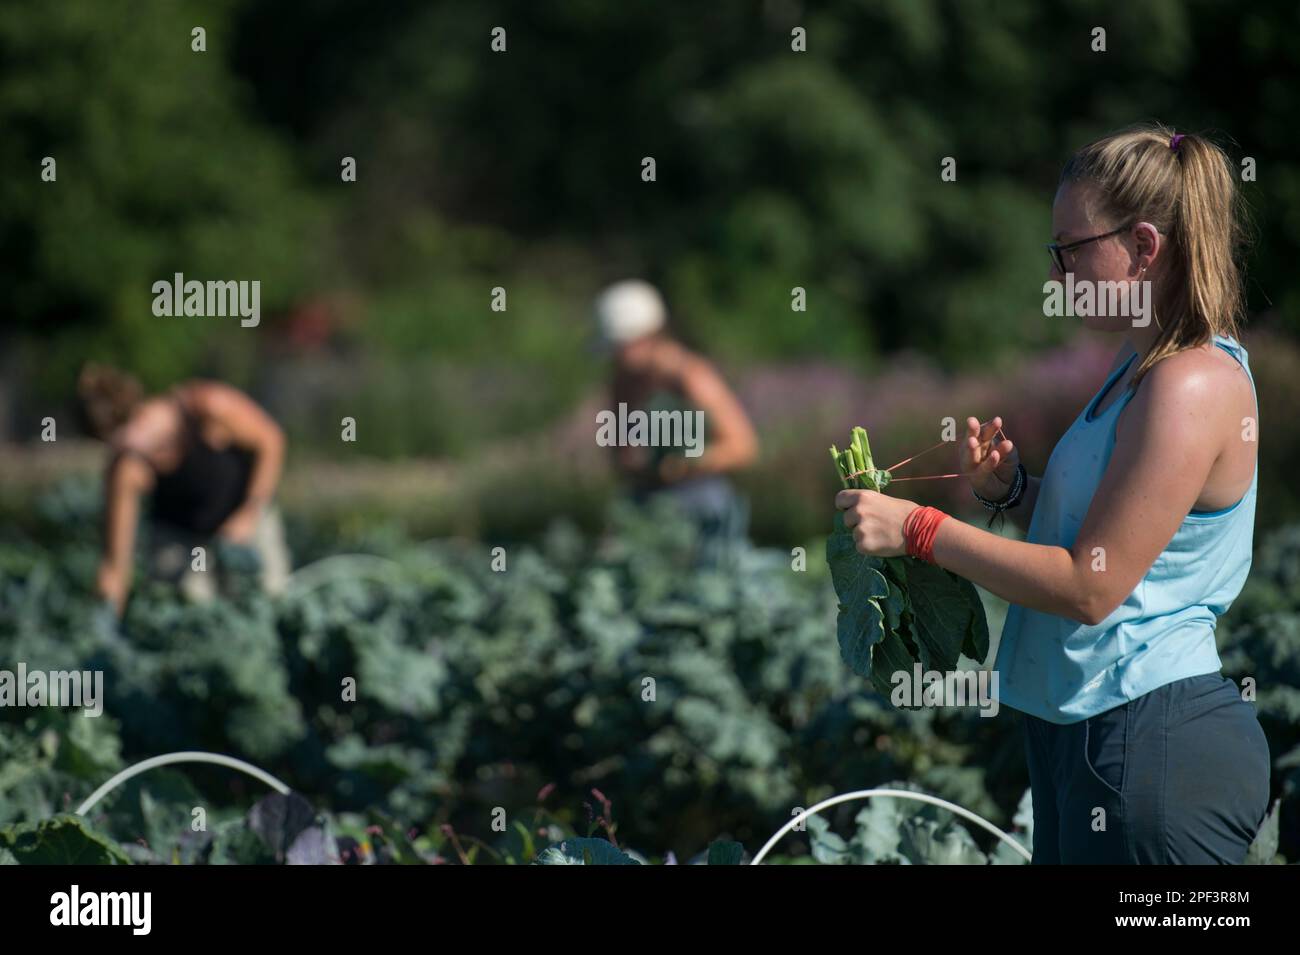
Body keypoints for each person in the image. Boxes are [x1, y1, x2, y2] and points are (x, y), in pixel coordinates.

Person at [835, 125, 1270, 864]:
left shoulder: (1190, 383)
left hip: (1150, 740)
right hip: (1091, 729)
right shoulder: (1133, 369)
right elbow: (1108, 535)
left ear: (1142, 246)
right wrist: (1012, 491)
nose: (1058, 269)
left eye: (1070, 247)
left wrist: (920, 530)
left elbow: (1089, 586)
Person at [77, 364, 290, 614]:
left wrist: (249, 512)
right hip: (180, 537)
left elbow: (271, 440)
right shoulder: (126, 468)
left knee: (269, 597)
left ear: (137, 414)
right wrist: (104, 618)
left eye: (119, 440)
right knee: (191, 608)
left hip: (247, 517)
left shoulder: (207, 407)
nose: (120, 452)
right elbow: (116, 564)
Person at [594, 280, 759, 558]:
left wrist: (686, 462)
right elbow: (618, 450)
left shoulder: (691, 377)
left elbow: (744, 446)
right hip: (647, 500)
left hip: (700, 500)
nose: (618, 357)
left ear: (647, 335)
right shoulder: (622, 381)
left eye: (622, 347)